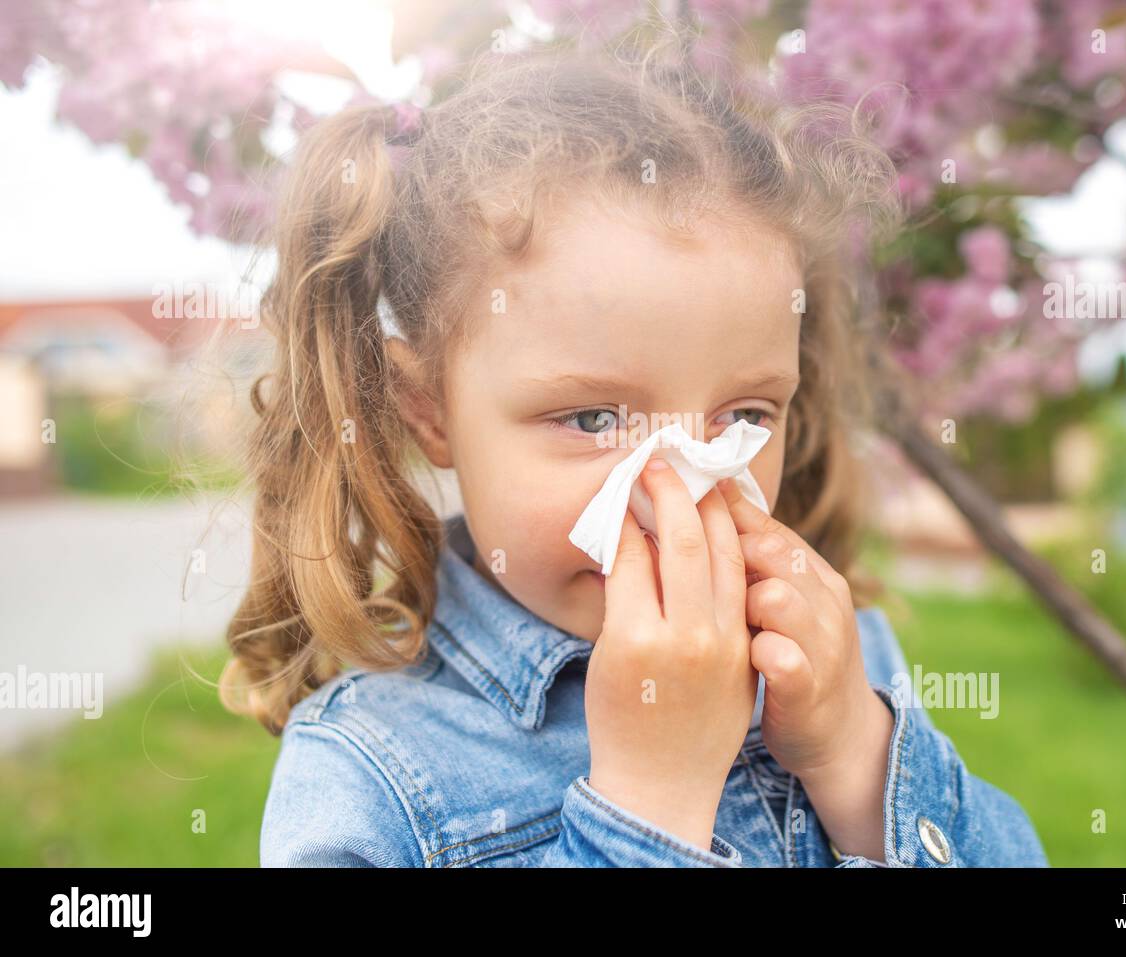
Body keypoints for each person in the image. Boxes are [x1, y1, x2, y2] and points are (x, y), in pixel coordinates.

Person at [223, 25, 1049, 868]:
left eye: (743, 418)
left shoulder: (844, 658)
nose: (678, 492)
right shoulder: (372, 764)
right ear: (428, 410)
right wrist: (649, 802)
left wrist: (855, 756)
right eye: (591, 420)